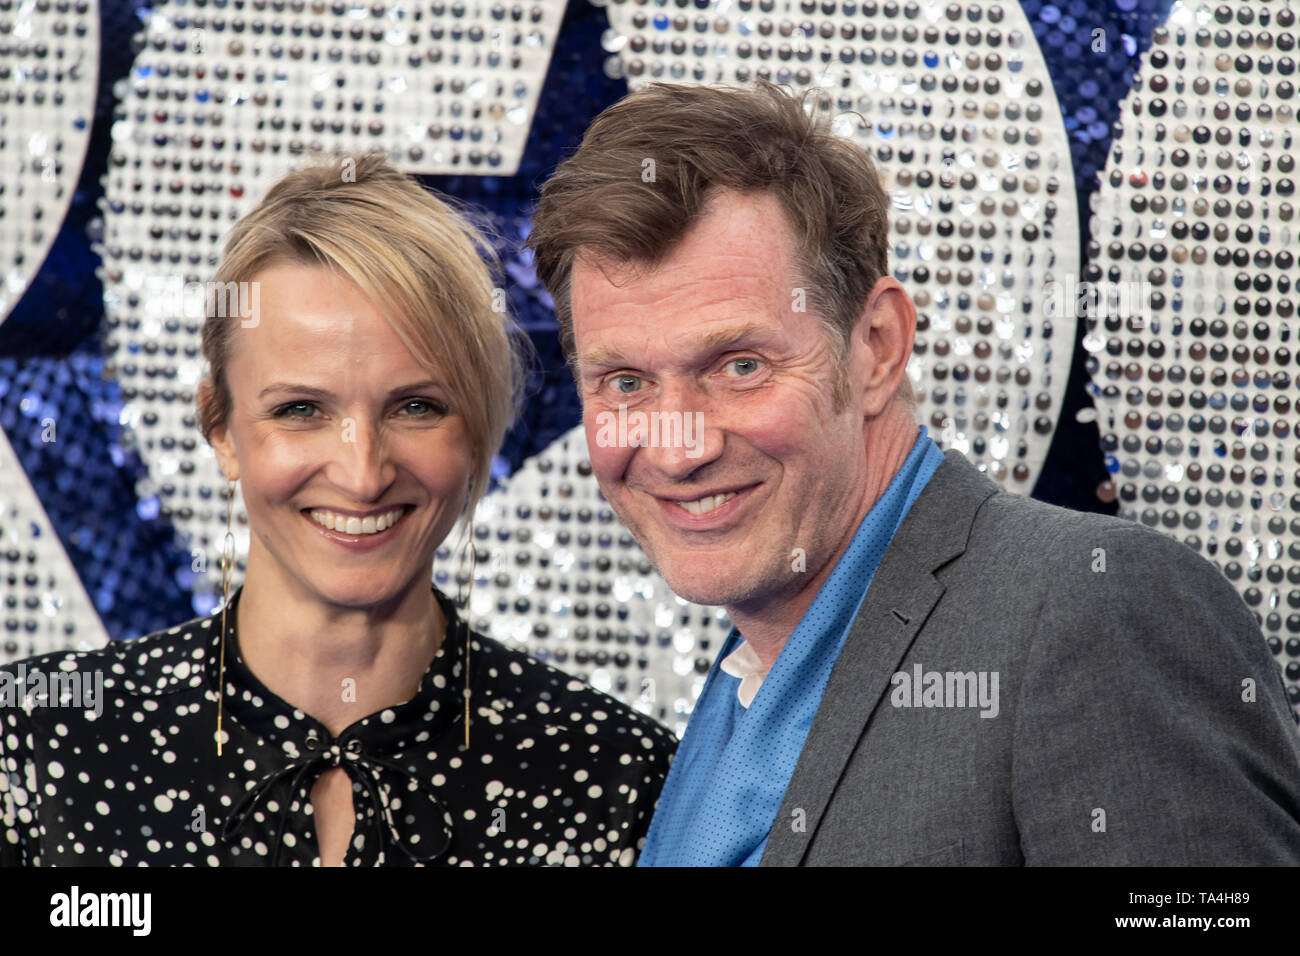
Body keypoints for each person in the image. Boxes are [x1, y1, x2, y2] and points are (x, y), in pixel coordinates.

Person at [524, 79, 1300, 865]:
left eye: (740, 365)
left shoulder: (1094, 605)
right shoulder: (745, 687)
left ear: (877, 348)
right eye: (625, 382)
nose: (676, 446)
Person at [0, 153, 675, 867]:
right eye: (301, 410)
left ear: (479, 427)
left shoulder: (617, 780)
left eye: (417, 407)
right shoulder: (42, 744)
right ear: (221, 428)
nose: (362, 473)